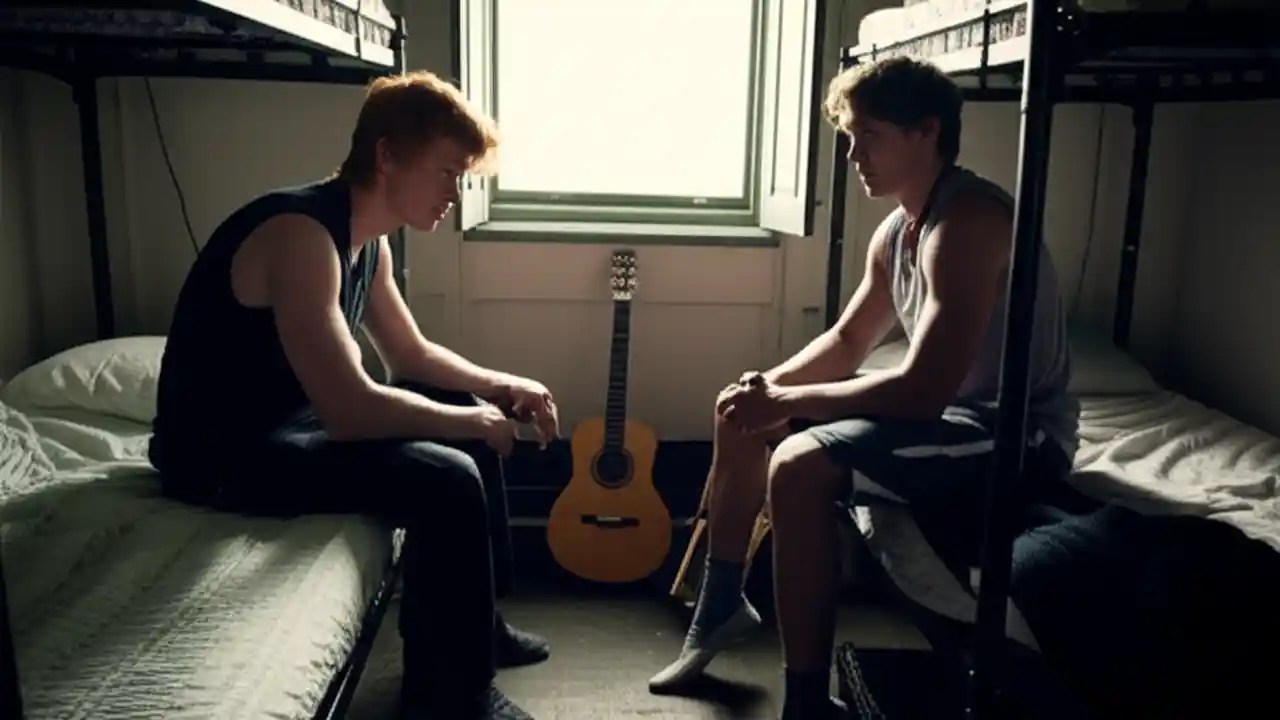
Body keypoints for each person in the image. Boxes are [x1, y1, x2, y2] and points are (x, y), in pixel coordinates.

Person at [648, 56, 1080, 719]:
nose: (853, 155)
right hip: (952, 423)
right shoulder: (898, 229)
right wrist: (765, 387)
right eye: (850, 137)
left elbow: (923, 391)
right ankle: (720, 604)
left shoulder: (968, 222)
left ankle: (804, 702)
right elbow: (850, 343)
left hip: (1014, 433)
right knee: (738, 410)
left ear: (927, 131)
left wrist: (787, 404)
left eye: (869, 135)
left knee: (796, 463)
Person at [148, 71, 553, 720]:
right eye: (448, 173)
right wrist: (470, 423)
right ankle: (451, 696)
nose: (456, 193)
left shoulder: (369, 242)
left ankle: (481, 626)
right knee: (447, 473)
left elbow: (412, 356)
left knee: (457, 414)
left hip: (289, 421)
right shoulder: (301, 235)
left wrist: (502, 389)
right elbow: (351, 409)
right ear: (387, 155)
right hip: (220, 455)